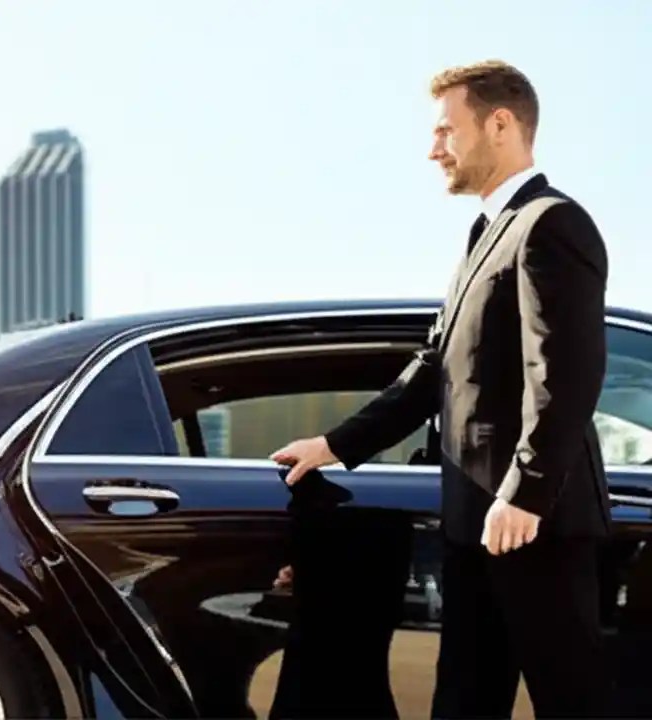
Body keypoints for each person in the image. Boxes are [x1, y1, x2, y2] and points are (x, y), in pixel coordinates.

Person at [270, 60, 612, 718]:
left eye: (446, 131)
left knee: (572, 702)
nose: (434, 149)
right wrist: (336, 443)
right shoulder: (483, 236)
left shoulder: (550, 224)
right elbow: (434, 369)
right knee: (463, 701)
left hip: (533, 523)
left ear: (500, 124)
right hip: (473, 524)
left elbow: (565, 375)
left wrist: (526, 493)